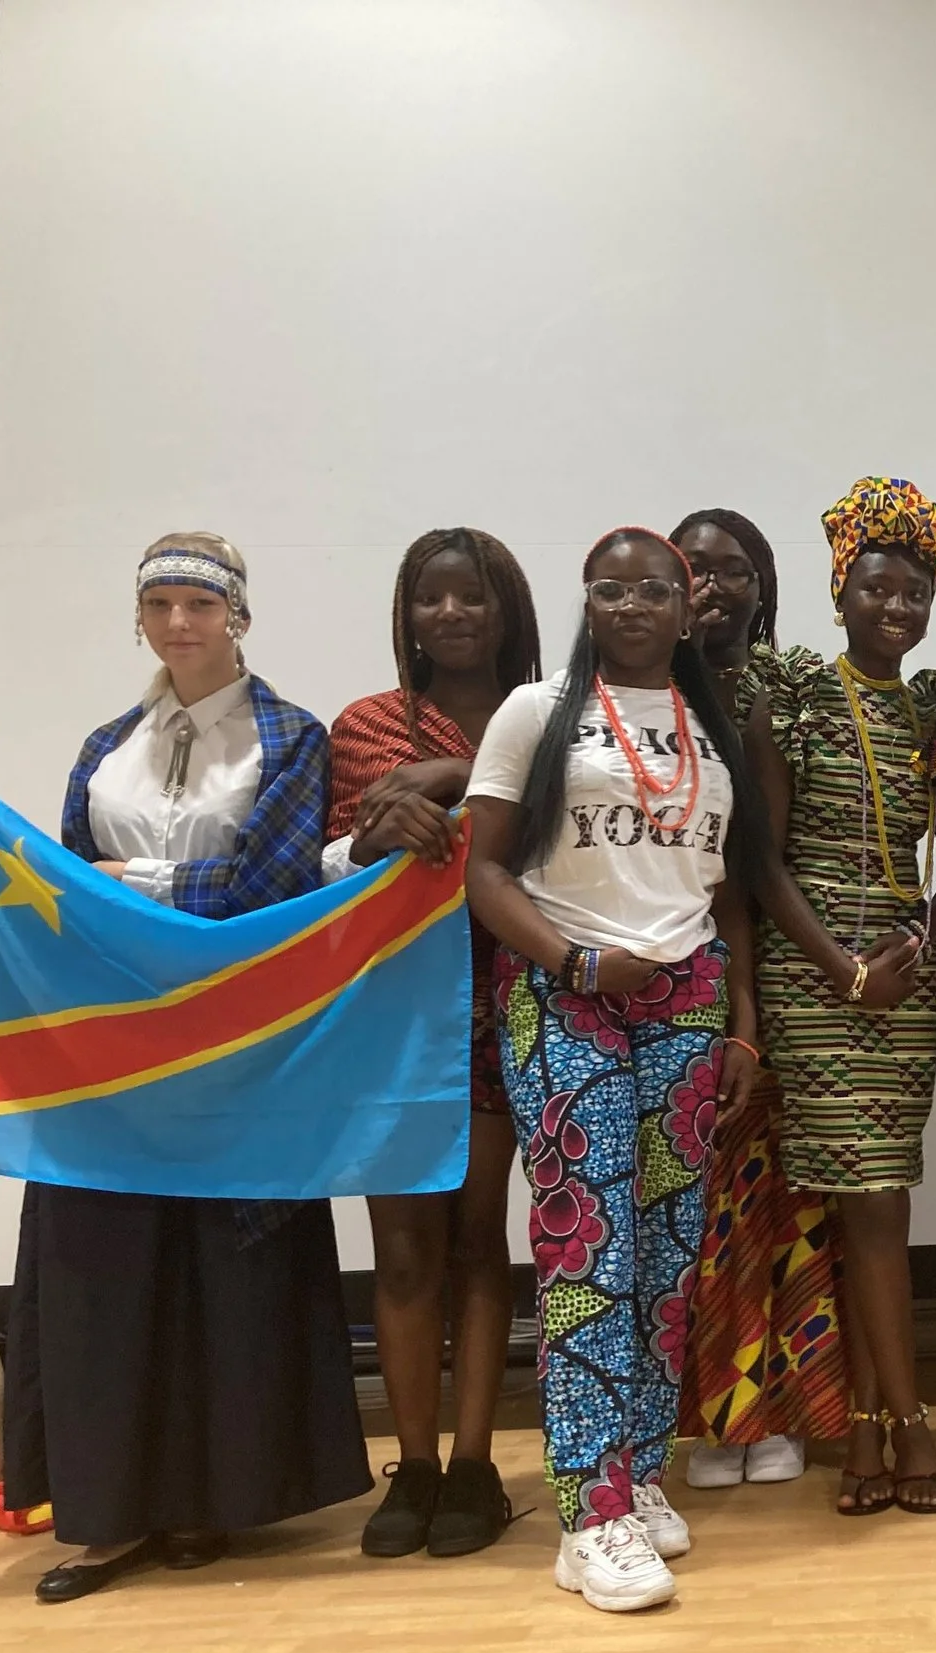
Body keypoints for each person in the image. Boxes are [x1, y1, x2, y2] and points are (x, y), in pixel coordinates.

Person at [1, 532, 369, 1604]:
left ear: (237, 617)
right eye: (158, 604)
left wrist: (145, 882)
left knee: (223, 1265)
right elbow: (66, 893)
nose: (178, 624)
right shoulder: (102, 746)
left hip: (236, 1047)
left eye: (198, 606)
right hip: (115, 1052)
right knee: (107, 1266)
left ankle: (215, 1496)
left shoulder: (292, 741)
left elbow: (272, 886)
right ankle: (109, 1515)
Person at [464, 524, 767, 1613]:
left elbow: (726, 894)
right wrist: (574, 960)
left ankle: (638, 1471)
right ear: (586, 603)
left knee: (667, 1247)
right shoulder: (537, 712)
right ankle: (587, 1520)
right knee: (588, 1243)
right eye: (610, 588)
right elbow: (484, 868)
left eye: (654, 589)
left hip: (685, 997)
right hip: (567, 992)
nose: (632, 604)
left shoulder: (710, 725)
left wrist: (741, 1026)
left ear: (687, 610)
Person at [748, 475, 936, 1515]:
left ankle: (873, 1426)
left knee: (878, 1205)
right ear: (841, 593)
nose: (896, 609)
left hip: (903, 977)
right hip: (814, 978)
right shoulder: (791, 691)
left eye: (914, 595)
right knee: (869, 1204)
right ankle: (900, 1426)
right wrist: (844, 970)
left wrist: (914, 942)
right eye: (877, 590)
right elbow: (764, 858)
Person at [323, 527, 540, 1560]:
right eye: (430, 600)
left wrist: (454, 772)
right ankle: (407, 1467)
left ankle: (472, 1466)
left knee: (475, 1237)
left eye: (472, 599)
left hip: (508, 1006)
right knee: (401, 1250)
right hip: (397, 1019)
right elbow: (338, 855)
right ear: (406, 615)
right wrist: (371, 840)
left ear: (507, 611)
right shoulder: (365, 725)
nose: (450, 616)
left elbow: (540, 829)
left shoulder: (545, 716)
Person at [665, 505, 846, 1491]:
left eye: (733, 570)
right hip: (675, 973)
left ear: (763, 589)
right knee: (700, 1203)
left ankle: (786, 1410)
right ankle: (715, 1421)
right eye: (691, 568)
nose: (712, 586)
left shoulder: (800, 689)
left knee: (790, 1198)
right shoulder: (635, 701)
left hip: (792, 969)